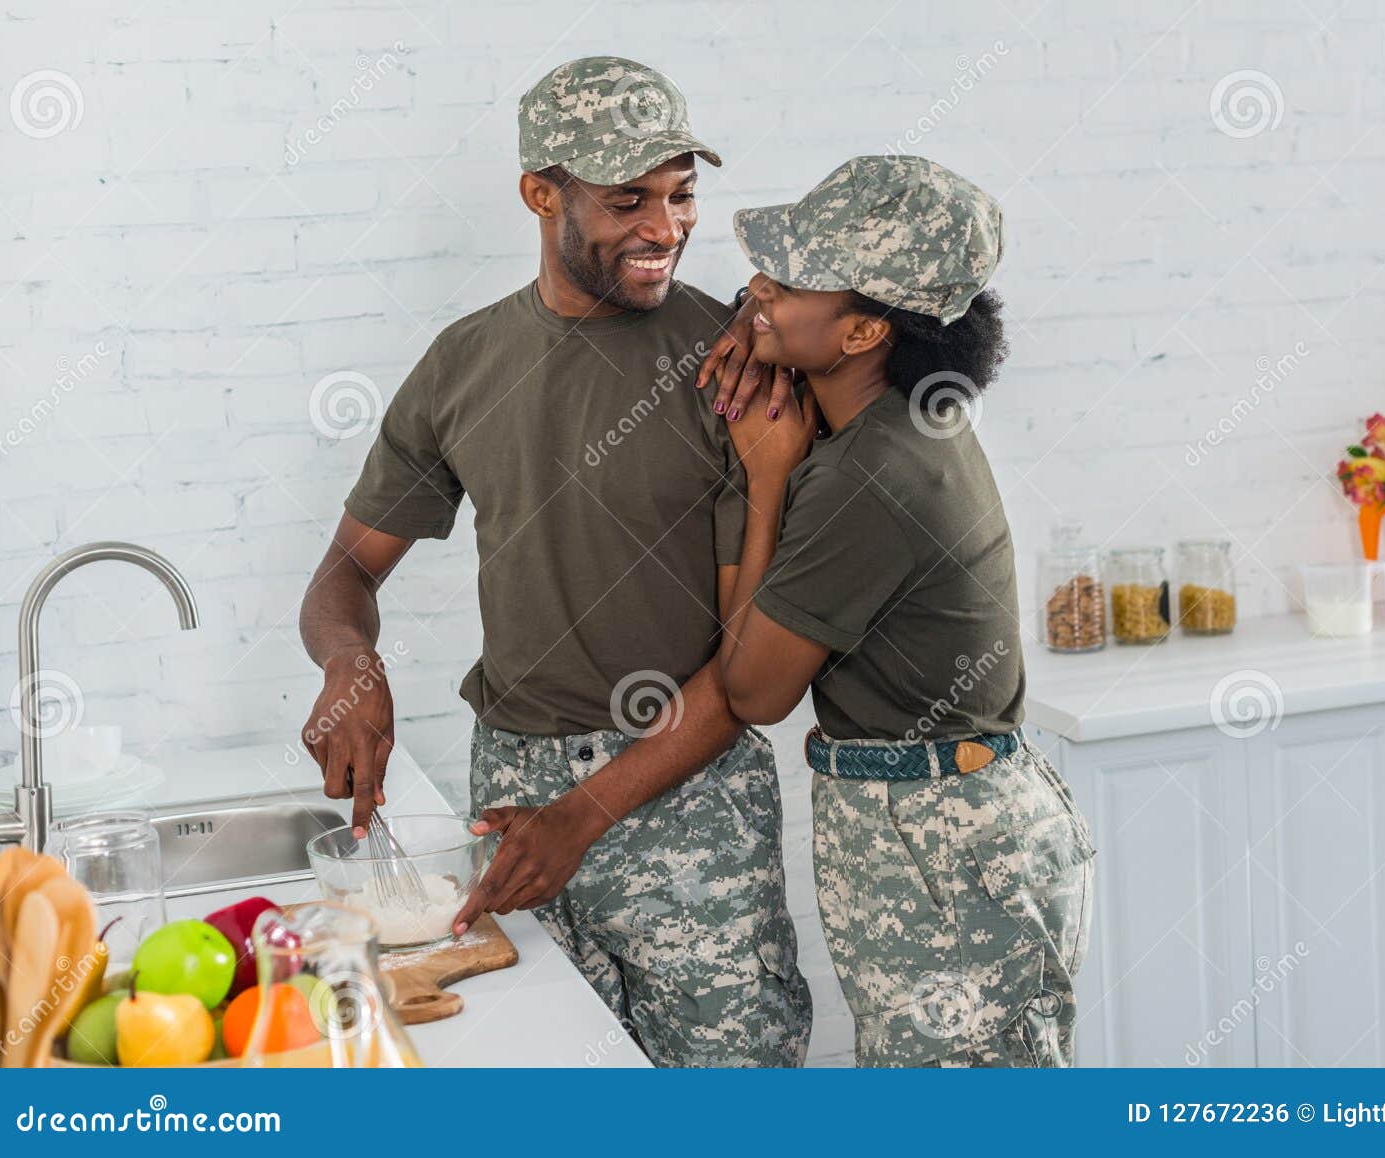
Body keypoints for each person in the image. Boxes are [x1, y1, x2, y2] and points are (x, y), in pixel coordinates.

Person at [297, 56, 811, 1067]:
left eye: (678, 196)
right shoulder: (464, 361)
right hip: (515, 794)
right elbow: (345, 574)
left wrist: (586, 812)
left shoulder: (735, 364)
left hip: (686, 798)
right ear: (542, 194)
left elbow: (751, 664)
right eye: (627, 200)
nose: (663, 228)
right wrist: (348, 664)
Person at [713, 155, 1094, 1067]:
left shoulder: (871, 476)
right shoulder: (901, 419)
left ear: (865, 332)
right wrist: (762, 322)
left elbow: (754, 690)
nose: (756, 289)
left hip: (941, 843)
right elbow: (784, 311)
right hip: (939, 822)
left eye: (790, 280)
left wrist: (766, 480)